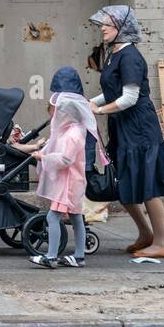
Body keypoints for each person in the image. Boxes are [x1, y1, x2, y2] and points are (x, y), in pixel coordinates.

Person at [88, 5, 164, 259]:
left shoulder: (130, 57)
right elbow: (114, 91)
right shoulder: (113, 54)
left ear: (122, 28)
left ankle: (161, 243)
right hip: (123, 127)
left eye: (107, 24)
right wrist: (92, 102)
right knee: (125, 183)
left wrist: (99, 110)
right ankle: (145, 234)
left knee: (147, 186)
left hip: (139, 129)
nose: (102, 28)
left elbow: (129, 97)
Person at [14, 77, 107, 268]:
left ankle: (51, 255)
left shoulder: (72, 134)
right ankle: (79, 255)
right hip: (73, 182)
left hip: (68, 184)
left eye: (53, 112)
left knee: (52, 217)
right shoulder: (72, 130)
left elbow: (65, 159)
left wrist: (43, 158)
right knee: (76, 217)